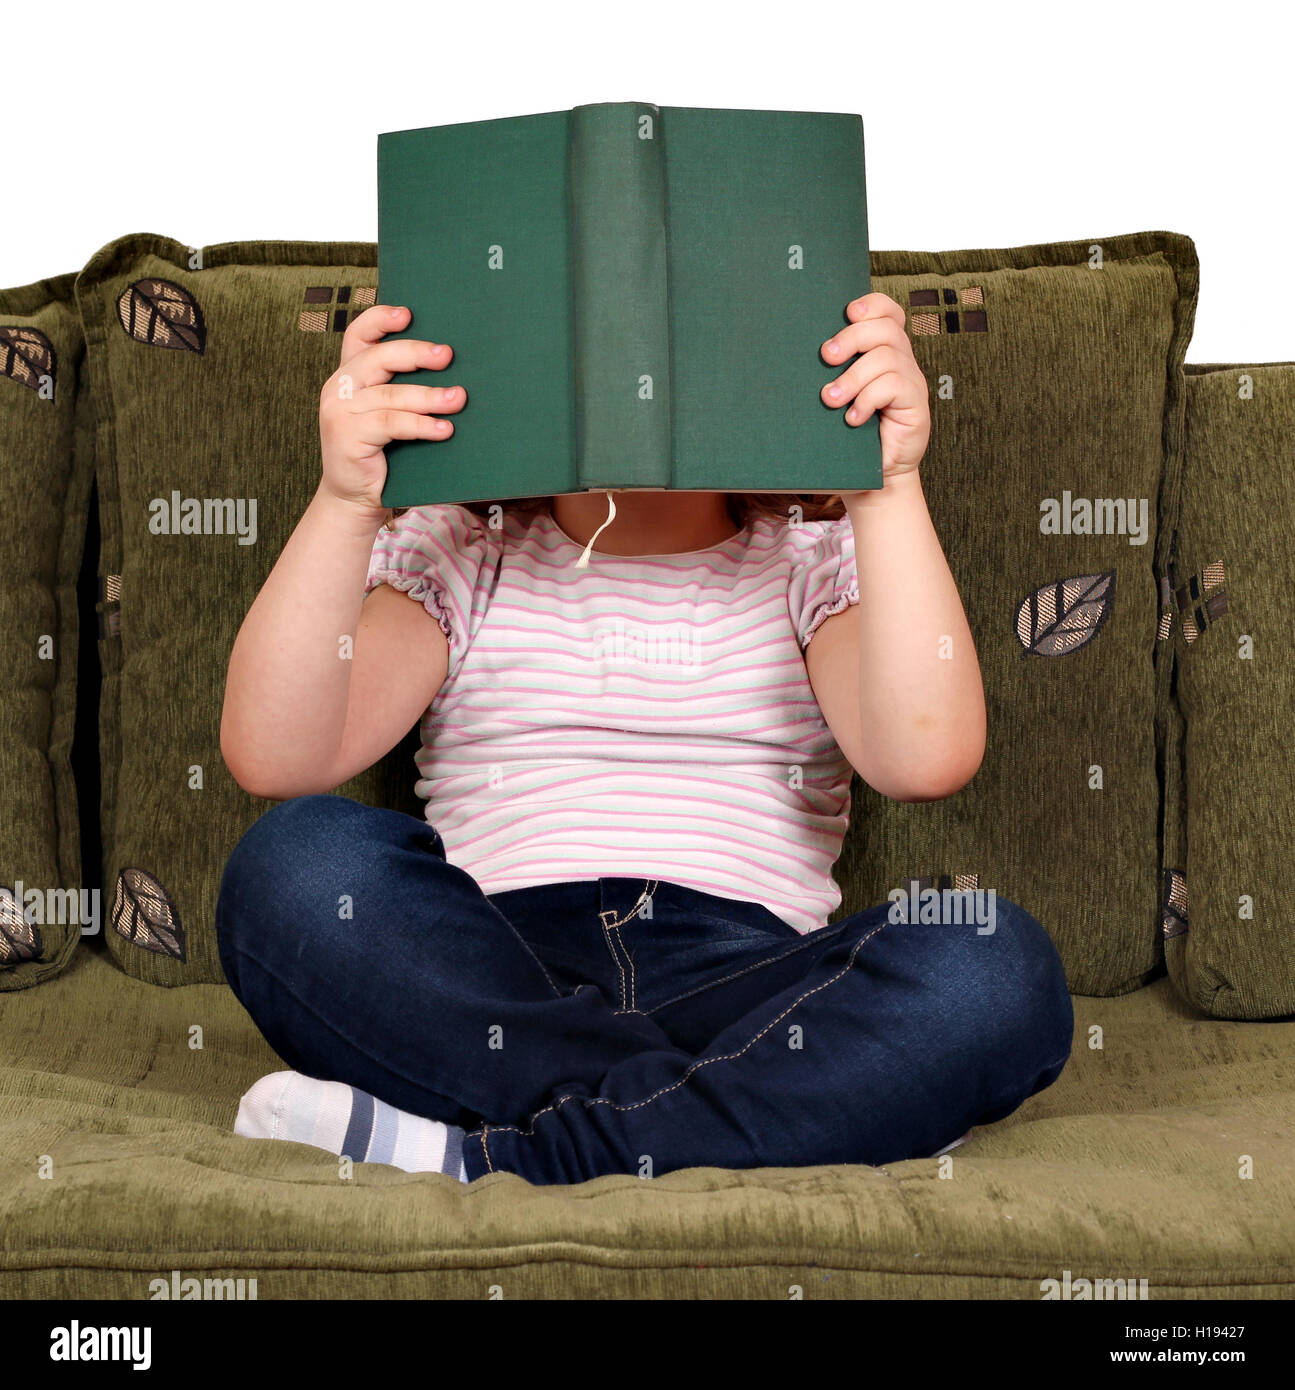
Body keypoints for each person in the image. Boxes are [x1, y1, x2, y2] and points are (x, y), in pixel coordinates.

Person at [215, 293, 1073, 1185]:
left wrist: (887, 485)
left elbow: (925, 758)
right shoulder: (464, 547)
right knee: (295, 866)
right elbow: (277, 754)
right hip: (500, 979)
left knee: (988, 957)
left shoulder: (811, 558)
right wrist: (344, 502)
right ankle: (762, 1112)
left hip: (743, 984)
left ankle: (489, 1155)